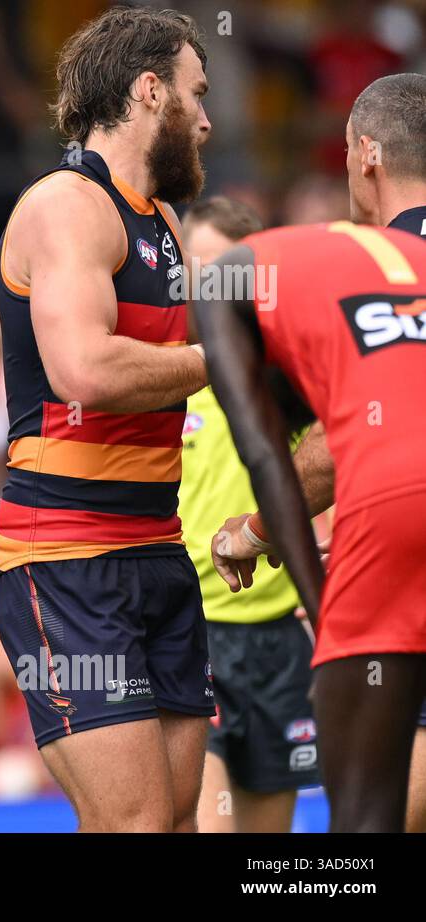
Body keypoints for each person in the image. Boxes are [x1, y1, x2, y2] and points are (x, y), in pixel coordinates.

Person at [0, 7, 213, 831]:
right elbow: (84, 369)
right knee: (139, 824)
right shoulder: (66, 204)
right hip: (67, 557)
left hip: (158, 545)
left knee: (177, 820)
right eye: (196, 93)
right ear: (148, 91)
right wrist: (224, 362)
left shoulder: (167, 223)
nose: (208, 117)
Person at [207, 73, 426, 832]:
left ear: (365, 155)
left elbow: (355, 443)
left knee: (370, 820)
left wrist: (260, 533)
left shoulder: (357, 262)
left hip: (394, 538)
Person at [178, 197, 320, 833]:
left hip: (280, 636)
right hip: (193, 634)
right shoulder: (160, 375)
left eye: (217, 271)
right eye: (191, 273)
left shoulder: (293, 374)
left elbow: (348, 460)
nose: (200, 290)